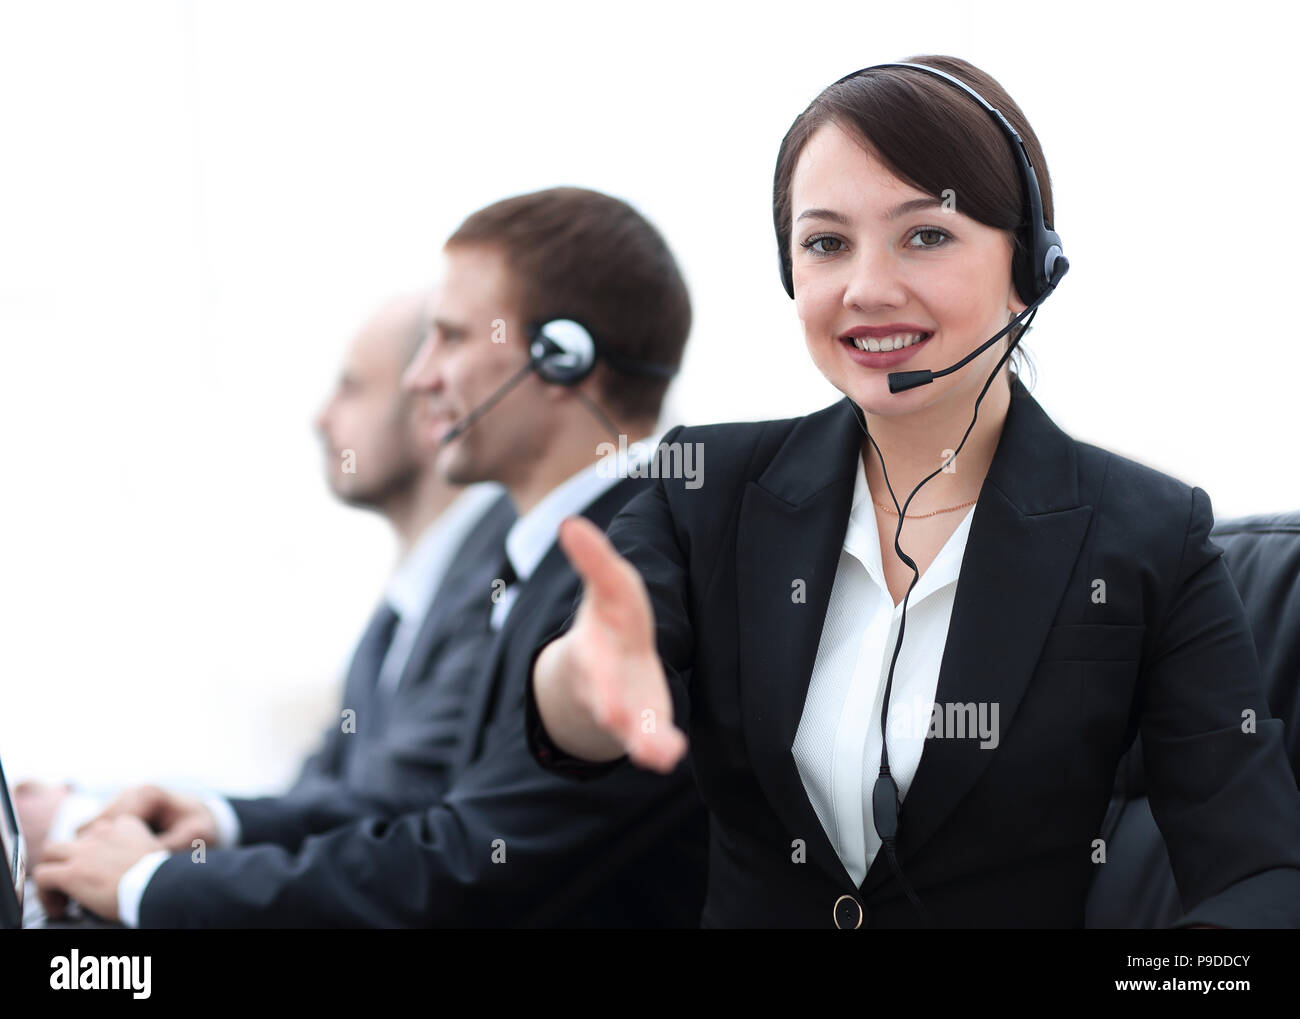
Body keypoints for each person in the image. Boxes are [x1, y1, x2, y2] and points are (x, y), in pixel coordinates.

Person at [527, 56, 1300, 928]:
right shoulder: (700, 487)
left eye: (925, 234)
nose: (866, 288)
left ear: (1031, 267)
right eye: (825, 243)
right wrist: (580, 678)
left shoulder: (1150, 535)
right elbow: (576, 716)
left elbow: (1257, 873)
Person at [34, 187, 708, 928]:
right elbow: (423, 809)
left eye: (450, 338)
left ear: (561, 358)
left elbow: (467, 868)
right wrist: (224, 826)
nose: (423, 378)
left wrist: (151, 887)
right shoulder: (550, 553)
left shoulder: (634, 567)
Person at [17, 292, 513, 893]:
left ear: (432, 403)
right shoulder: (407, 605)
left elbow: (393, 809)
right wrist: (111, 815)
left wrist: (83, 832)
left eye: (352, 388)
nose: (321, 418)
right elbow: (312, 801)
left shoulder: (499, 576)